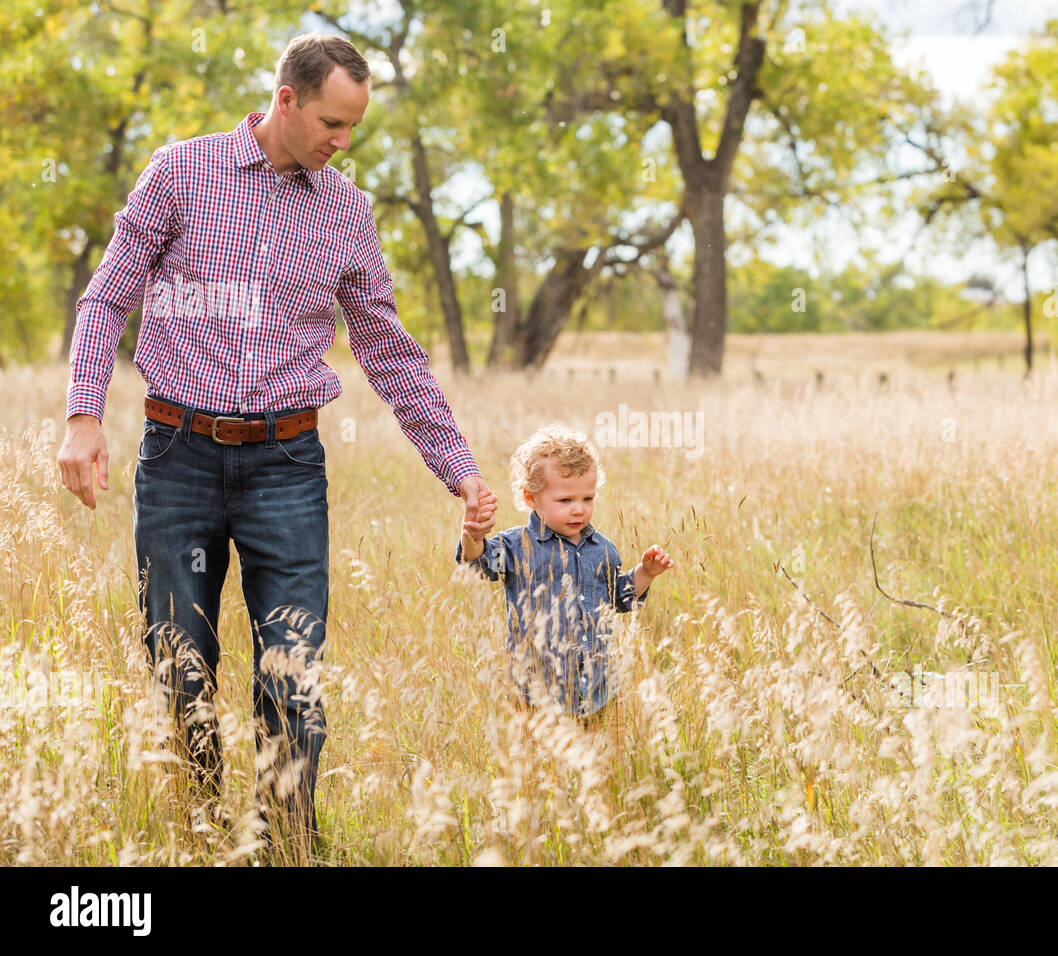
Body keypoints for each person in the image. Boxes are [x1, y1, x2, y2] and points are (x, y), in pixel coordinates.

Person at [56, 32, 498, 864]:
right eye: (333, 121)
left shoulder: (347, 211)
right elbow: (106, 296)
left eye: (354, 127)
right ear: (286, 100)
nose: (343, 141)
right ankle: (202, 827)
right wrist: (84, 414)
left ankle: (288, 842)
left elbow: (389, 350)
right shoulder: (179, 172)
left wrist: (458, 467)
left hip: (287, 466)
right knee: (179, 660)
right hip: (177, 453)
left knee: (293, 666)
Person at [456, 424, 673, 758]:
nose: (579, 509)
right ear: (530, 497)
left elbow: (620, 599)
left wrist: (645, 572)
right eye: (566, 499)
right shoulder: (518, 546)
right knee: (544, 774)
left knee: (605, 770)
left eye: (588, 499)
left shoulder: (602, 549)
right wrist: (472, 537)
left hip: (600, 690)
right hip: (537, 696)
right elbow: (479, 564)